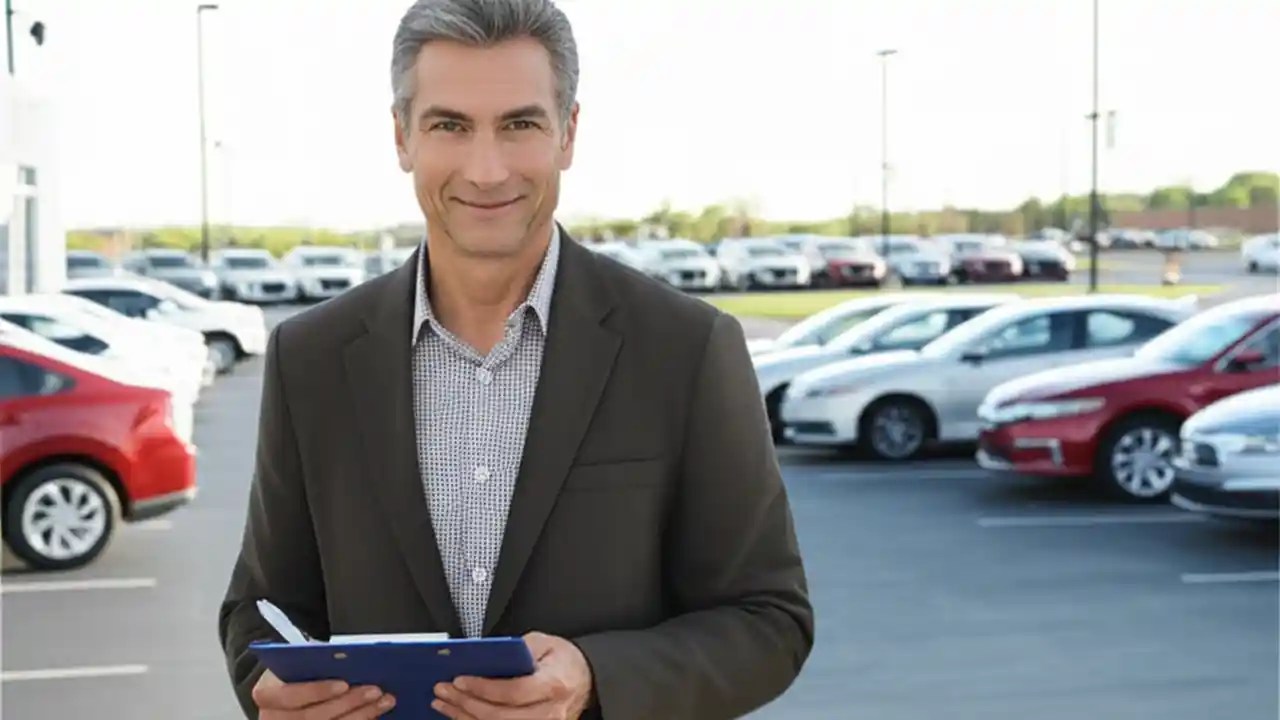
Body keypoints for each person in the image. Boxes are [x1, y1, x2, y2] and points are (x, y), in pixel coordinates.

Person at [217, 0, 814, 718]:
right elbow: (260, 610)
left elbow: (769, 619)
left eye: (520, 124)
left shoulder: (686, 348)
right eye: (449, 125)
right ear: (402, 136)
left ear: (567, 132)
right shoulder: (309, 357)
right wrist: (271, 695)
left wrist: (595, 677)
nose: (487, 168)